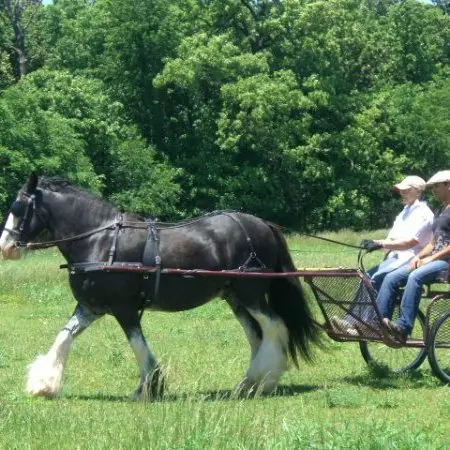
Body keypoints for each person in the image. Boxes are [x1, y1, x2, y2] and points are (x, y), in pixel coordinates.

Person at [332, 175, 433, 335]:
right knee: (366, 278)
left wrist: (382, 244)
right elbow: (392, 239)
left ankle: (372, 325)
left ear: (419, 192)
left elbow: (410, 242)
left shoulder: (423, 214)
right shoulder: (405, 212)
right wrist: (375, 243)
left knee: (379, 279)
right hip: (396, 257)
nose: (402, 193)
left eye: (406, 190)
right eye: (401, 190)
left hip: (411, 258)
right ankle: (352, 323)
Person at [379, 170, 450, 343]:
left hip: (445, 263)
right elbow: (433, 243)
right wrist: (419, 256)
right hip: (433, 259)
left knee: (416, 276)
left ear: (449, 185)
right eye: (432, 187)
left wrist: (430, 259)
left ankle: (403, 327)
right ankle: (380, 324)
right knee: (392, 277)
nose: (433, 190)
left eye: (437, 187)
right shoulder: (442, 210)